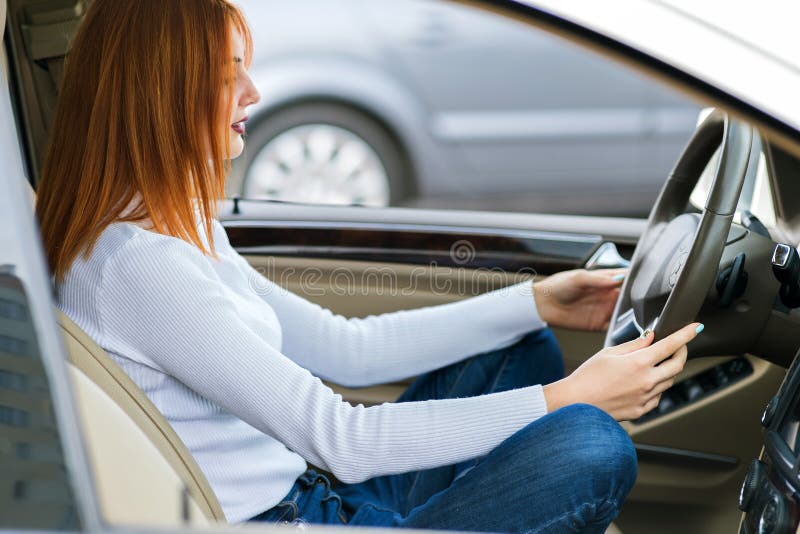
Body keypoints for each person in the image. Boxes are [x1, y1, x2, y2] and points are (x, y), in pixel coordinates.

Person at [35, 1, 701, 532]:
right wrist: (569, 397)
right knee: (592, 445)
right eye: (228, 71)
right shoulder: (140, 269)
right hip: (290, 520)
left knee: (519, 346)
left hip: (314, 494)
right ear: (162, 92)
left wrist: (536, 300)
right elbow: (343, 438)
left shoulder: (170, 224)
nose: (253, 91)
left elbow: (346, 349)